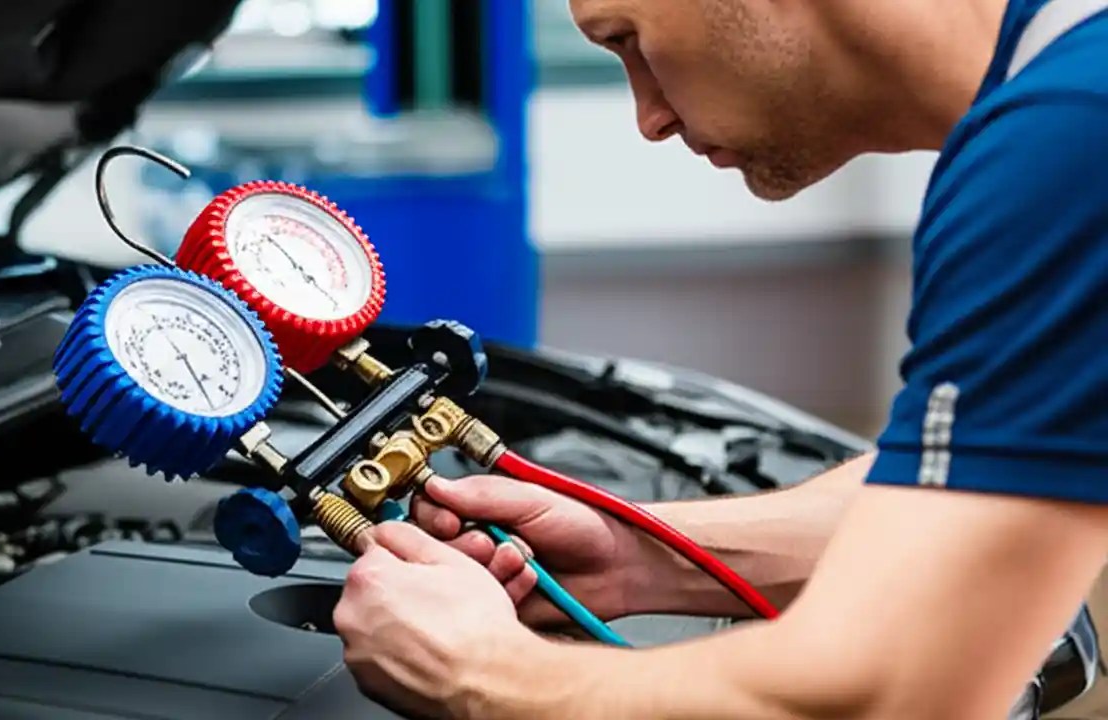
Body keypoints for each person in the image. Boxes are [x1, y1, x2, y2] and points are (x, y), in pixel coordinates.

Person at [331, 0, 1108, 717]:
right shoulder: (1067, 87)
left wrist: (483, 672)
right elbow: (976, 479)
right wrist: (641, 555)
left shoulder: (1067, 140)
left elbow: (893, 694)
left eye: (628, 38)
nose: (650, 117)